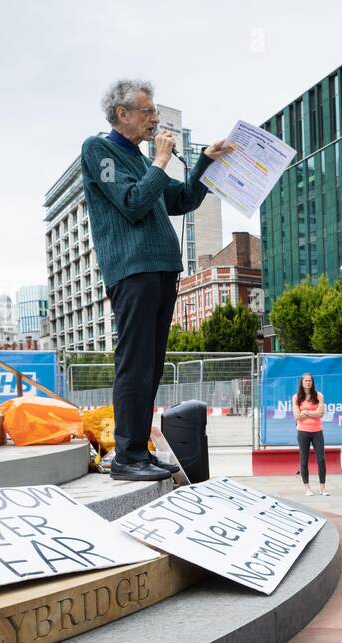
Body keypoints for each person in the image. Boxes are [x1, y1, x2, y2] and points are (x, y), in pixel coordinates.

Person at [81, 79, 231, 481]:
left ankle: (139, 452)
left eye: (155, 111)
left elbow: (182, 199)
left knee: (151, 365)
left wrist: (205, 162)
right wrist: (160, 162)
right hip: (133, 270)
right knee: (134, 363)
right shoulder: (100, 150)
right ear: (122, 114)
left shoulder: (142, 160)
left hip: (162, 270)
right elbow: (131, 203)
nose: (155, 118)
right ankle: (127, 456)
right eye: (147, 111)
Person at [293, 373, 328, 497]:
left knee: (321, 459)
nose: (308, 382)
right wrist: (312, 412)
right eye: (306, 380)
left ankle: (322, 487)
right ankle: (307, 487)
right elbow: (297, 416)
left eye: (310, 380)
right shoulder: (296, 397)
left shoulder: (319, 395)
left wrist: (306, 412)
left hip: (317, 431)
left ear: (312, 382)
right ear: (302, 382)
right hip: (303, 432)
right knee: (304, 459)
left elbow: (321, 413)